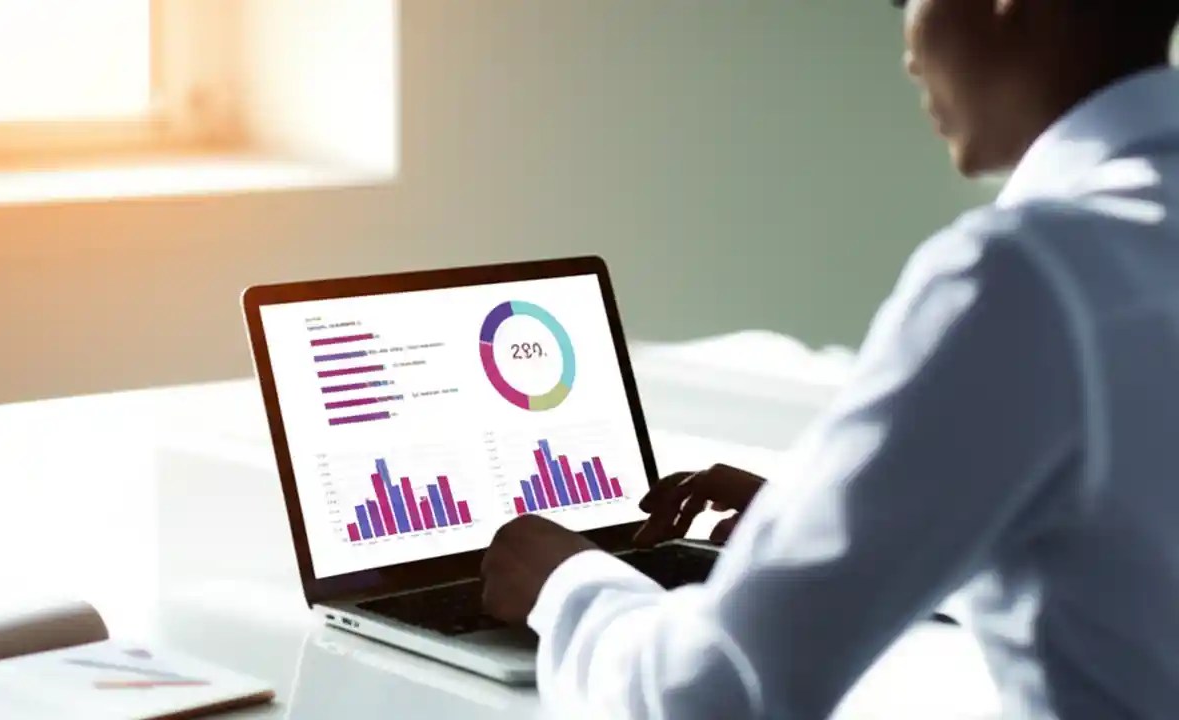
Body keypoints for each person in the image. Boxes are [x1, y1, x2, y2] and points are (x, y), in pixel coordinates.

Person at [479, 1, 1179, 717]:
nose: (908, 53)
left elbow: (713, 695)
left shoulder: (1021, 275)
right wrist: (833, 522)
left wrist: (566, 585)